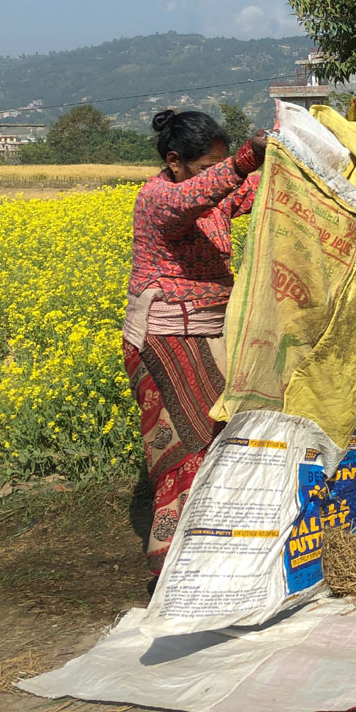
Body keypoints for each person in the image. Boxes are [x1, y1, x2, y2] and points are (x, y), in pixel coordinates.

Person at [122, 108, 267, 589]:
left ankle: (220, 553)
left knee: (224, 441)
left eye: (219, 164)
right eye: (206, 165)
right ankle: (173, 573)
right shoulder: (159, 197)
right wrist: (247, 158)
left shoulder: (213, 187)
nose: (215, 174)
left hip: (210, 333)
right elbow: (197, 195)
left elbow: (253, 192)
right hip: (164, 340)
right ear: (174, 161)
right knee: (188, 452)